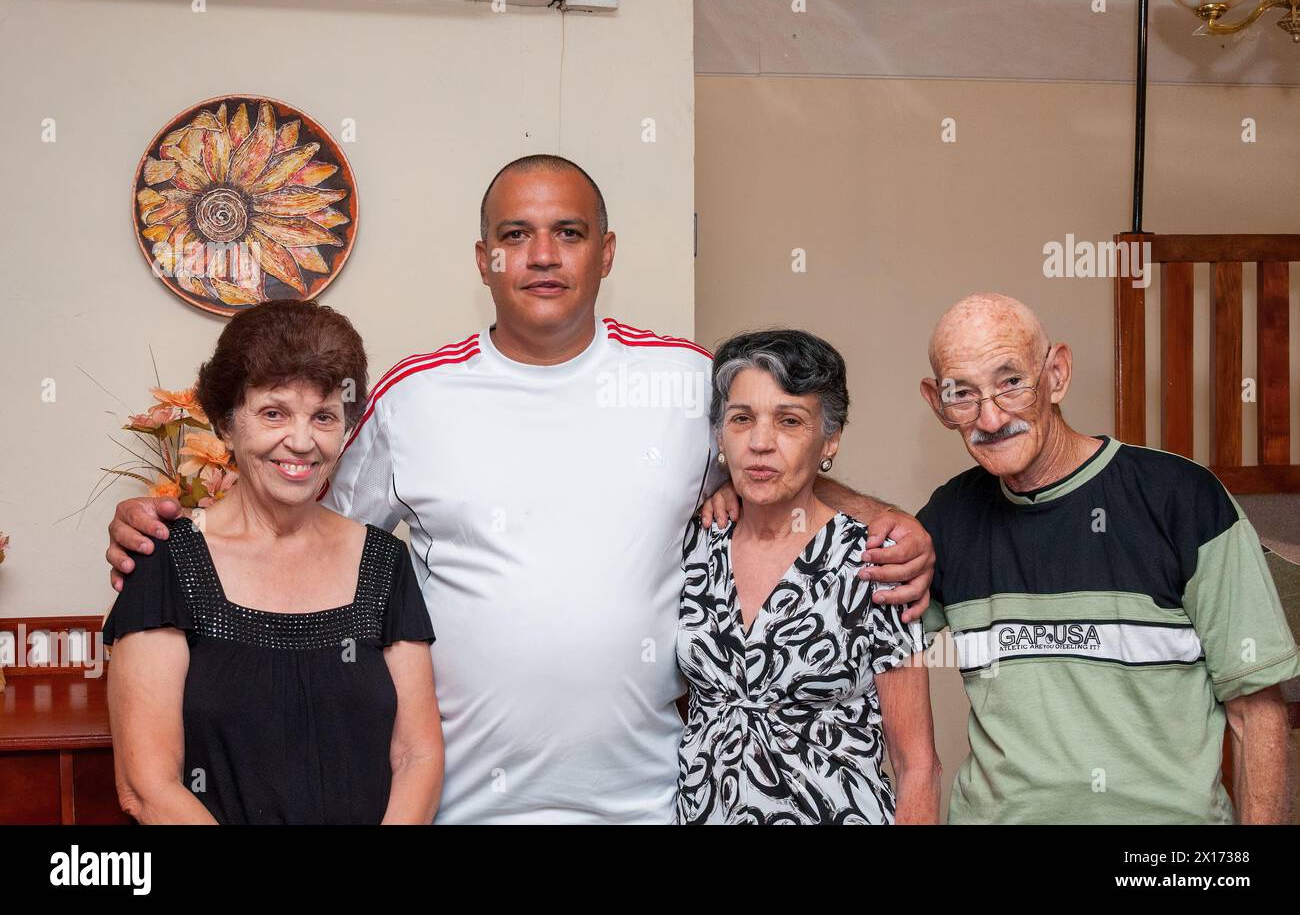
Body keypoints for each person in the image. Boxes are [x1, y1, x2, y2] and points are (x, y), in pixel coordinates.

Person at [106, 154, 935, 824]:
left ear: (606, 252)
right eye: (518, 233)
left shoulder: (686, 381)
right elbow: (299, 520)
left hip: (654, 797)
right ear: (485, 259)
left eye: (569, 232)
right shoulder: (414, 395)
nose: (543, 254)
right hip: (457, 799)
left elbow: (781, 470)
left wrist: (887, 520)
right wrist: (174, 536)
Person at [917, 292, 1299, 824]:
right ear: (938, 404)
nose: (990, 416)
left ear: (1056, 374)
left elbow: (1256, 713)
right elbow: (865, 645)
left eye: (1010, 382)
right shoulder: (947, 518)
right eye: (963, 394)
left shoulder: (1183, 499)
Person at [103, 300, 442, 824]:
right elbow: (147, 786)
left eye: (324, 416)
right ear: (224, 423)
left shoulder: (383, 563)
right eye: (273, 413)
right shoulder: (164, 562)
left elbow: (416, 756)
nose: (301, 442)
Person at [677, 330, 941, 824]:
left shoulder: (876, 561)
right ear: (718, 435)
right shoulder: (692, 548)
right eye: (741, 419)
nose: (759, 443)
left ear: (830, 439)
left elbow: (918, 765)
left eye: (789, 421)